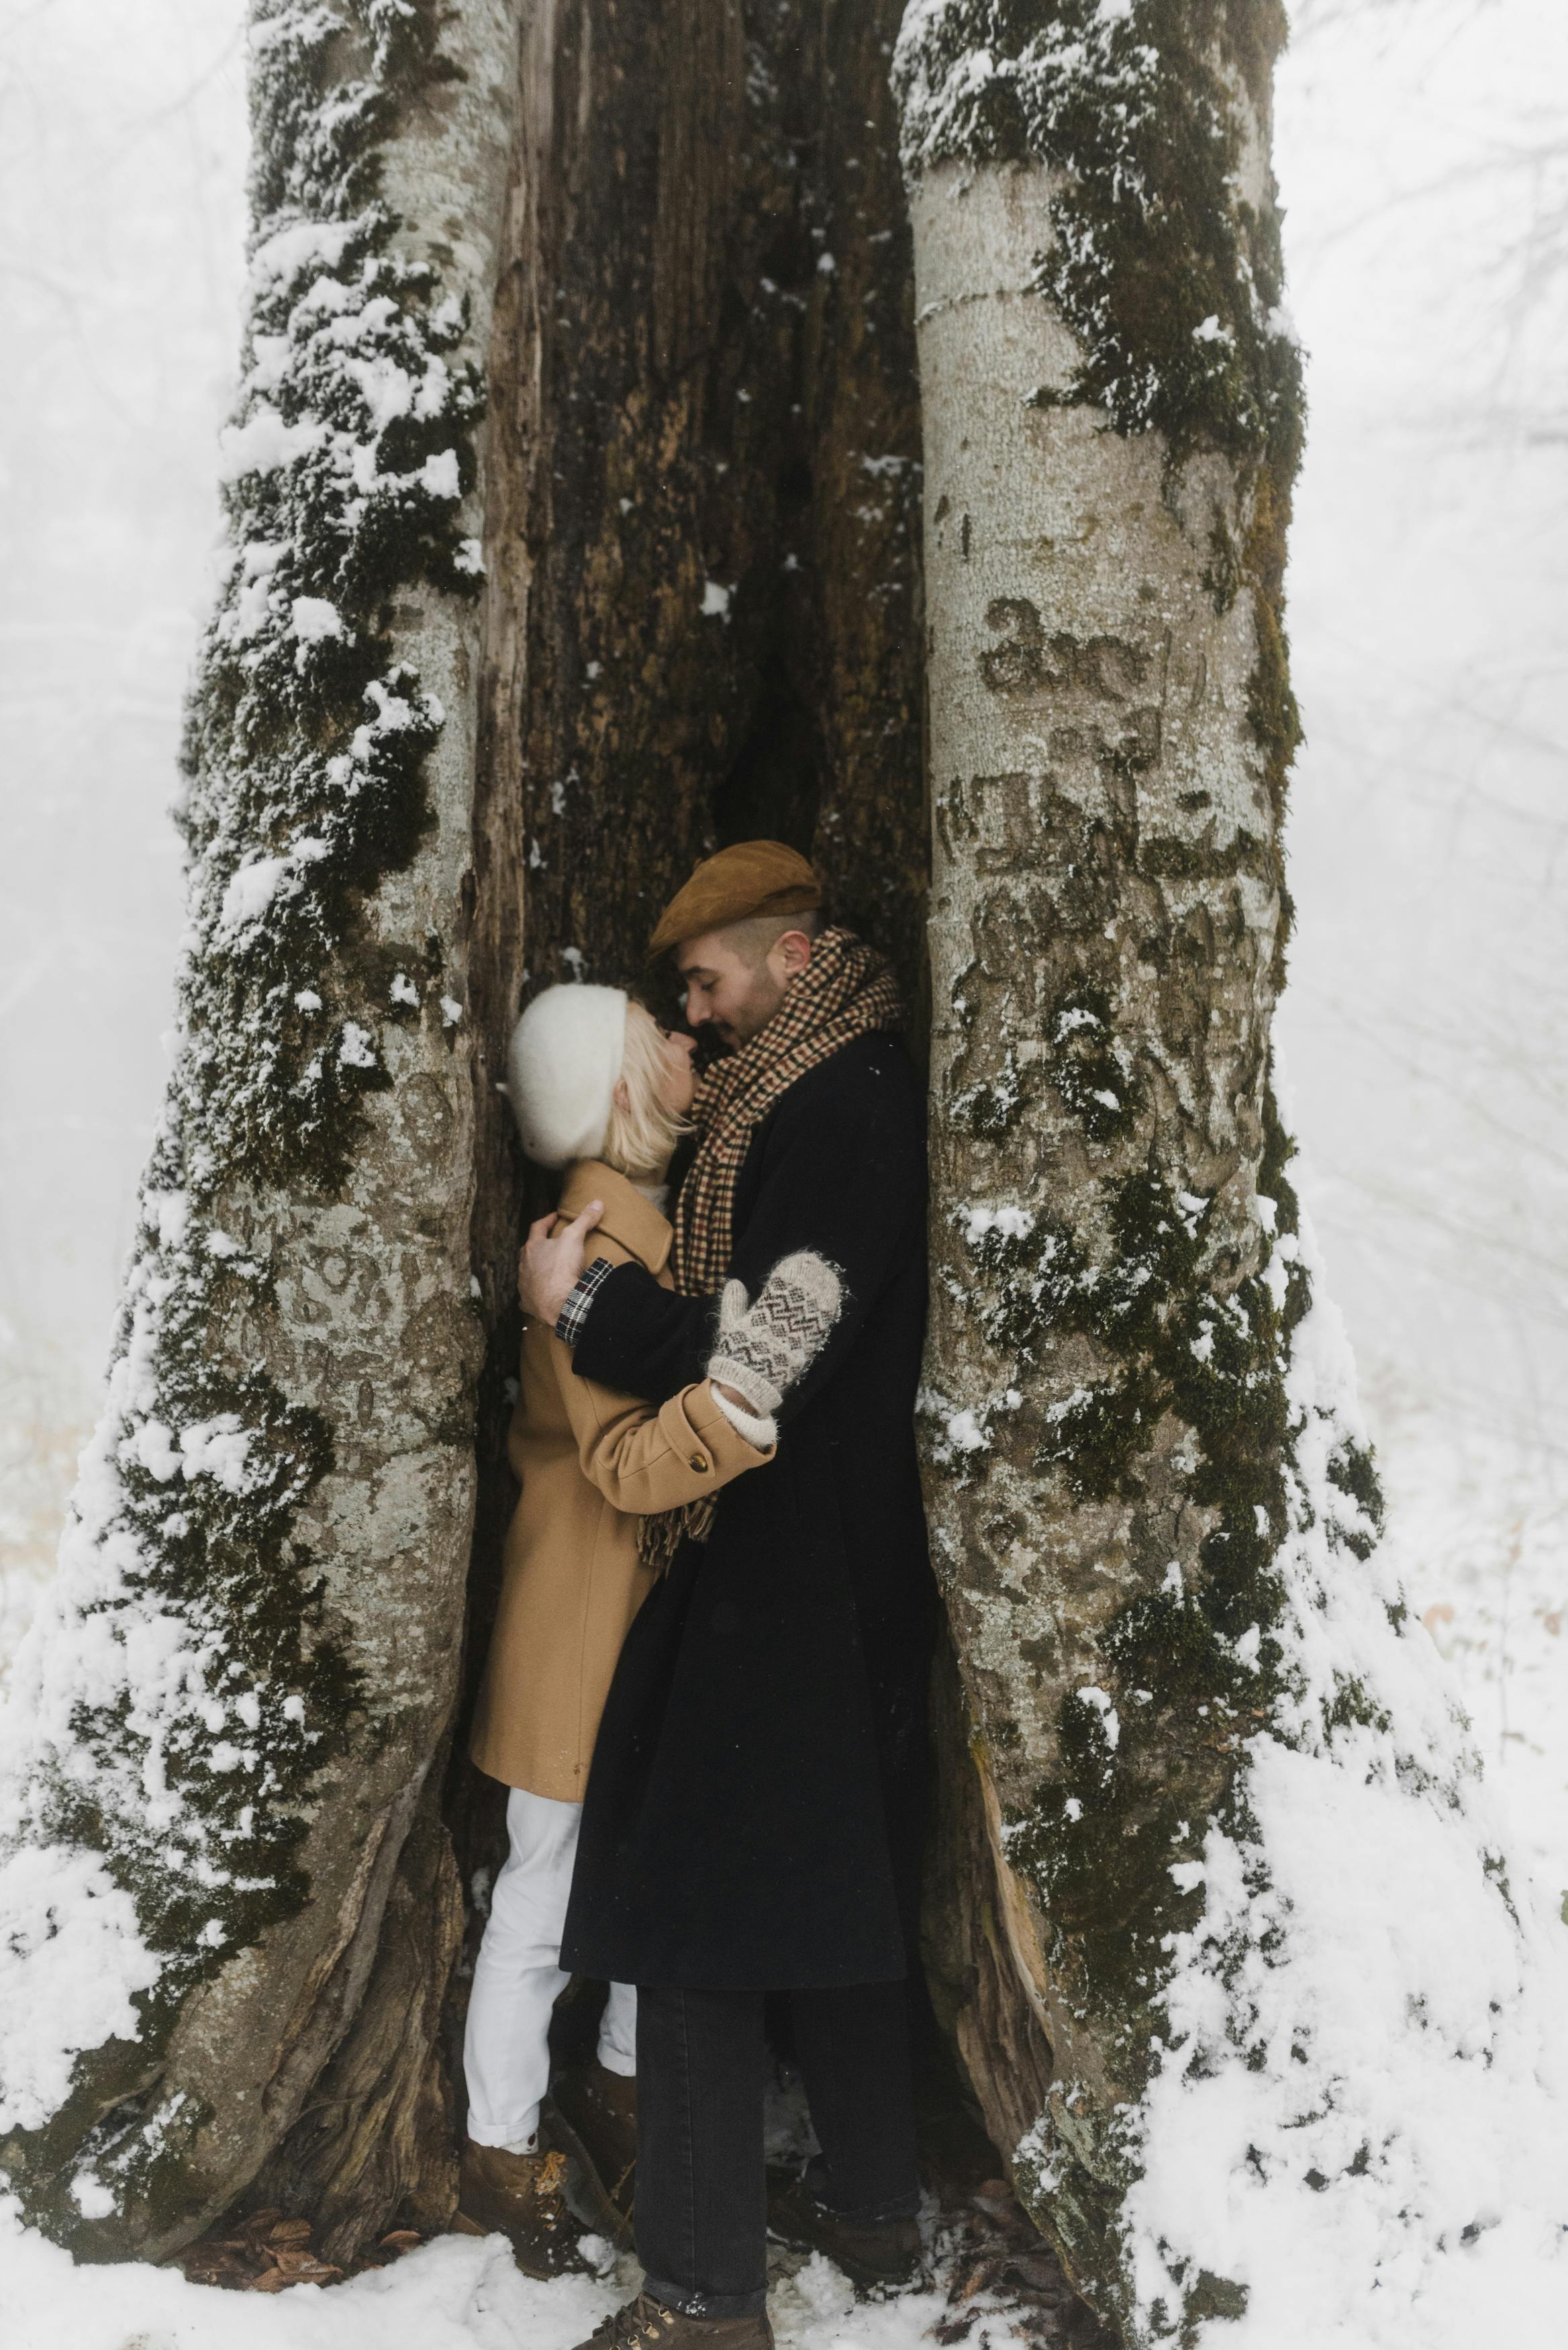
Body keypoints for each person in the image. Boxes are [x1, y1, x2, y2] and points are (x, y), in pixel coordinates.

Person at [516, 842, 940, 2350]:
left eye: (705, 981)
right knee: (837, 1898)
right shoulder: (824, 1090)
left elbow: (780, 1334)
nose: (690, 1020)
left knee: (688, 1924)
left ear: (797, 953)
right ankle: (876, 2215)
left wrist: (593, 1310)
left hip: (779, 1549)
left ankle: (701, 2303)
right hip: (818, 1553)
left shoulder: (841, 1104)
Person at [459, 980, 842, 2273]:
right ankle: (504, 2146)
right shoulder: (591, 1239)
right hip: (579, 1620)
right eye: (658, 1038)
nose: (689, 1042)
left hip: (642, 1621)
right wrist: (740, 1415)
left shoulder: (654, 1222)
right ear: (620, 1089)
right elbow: (622, 1464)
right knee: (547, 1890)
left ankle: (621, 2098)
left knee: (645, 1881)